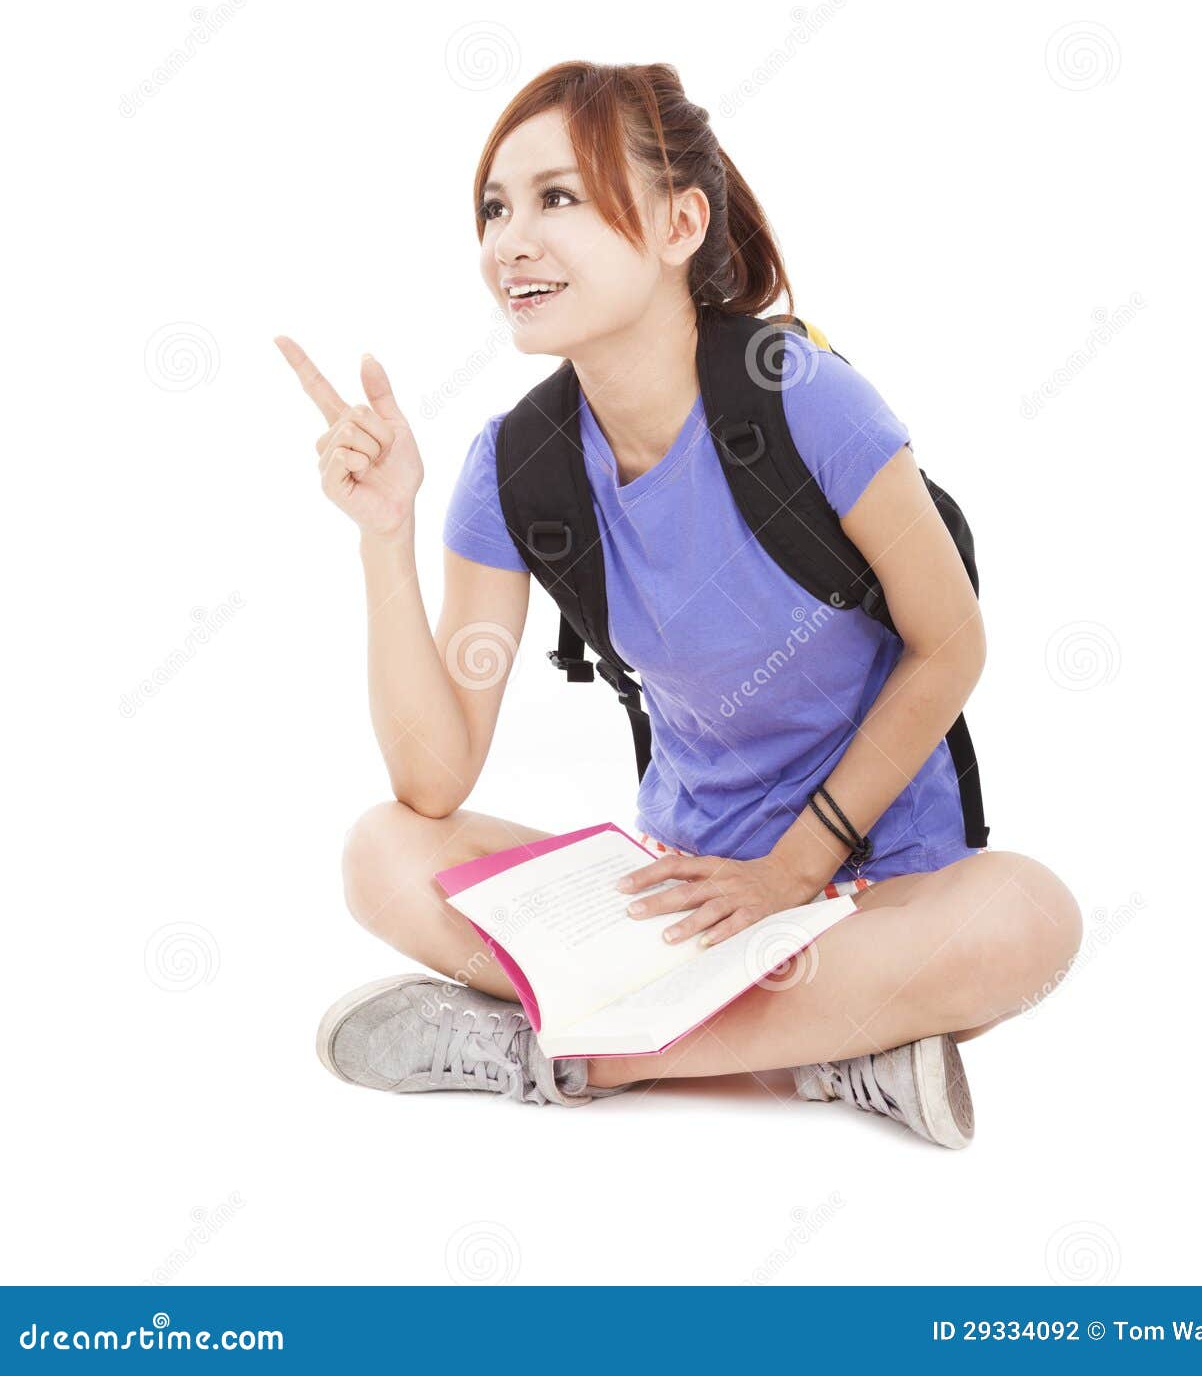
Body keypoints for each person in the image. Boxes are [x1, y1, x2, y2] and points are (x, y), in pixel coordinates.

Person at [276, 61, 1082, 1148]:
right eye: (495, 209)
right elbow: (434, 777)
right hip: (678, 896)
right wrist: (385, 532)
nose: (511, 241)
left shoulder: (803, 396)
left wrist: (791, 871)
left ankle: (565, 1053)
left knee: (1027, 917)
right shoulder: (514, 469)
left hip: (868, 889)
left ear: (679, 223)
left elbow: (950, 645)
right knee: (380, 853)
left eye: (557, 197)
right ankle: (838, 1050)